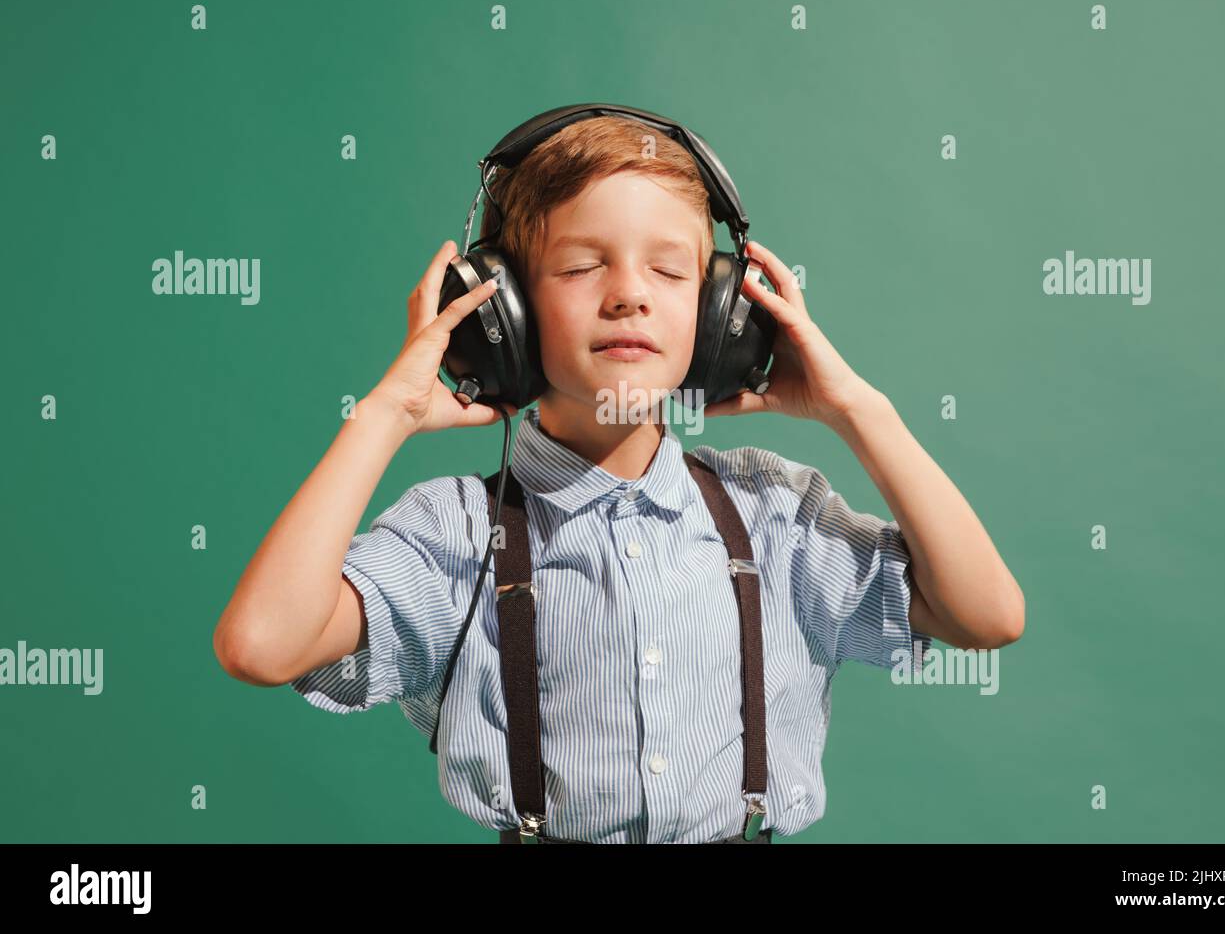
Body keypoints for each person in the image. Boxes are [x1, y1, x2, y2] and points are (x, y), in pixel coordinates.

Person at [212, 115, 1025, 843]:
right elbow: (260, 643)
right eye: (580, 268)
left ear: (721, 320)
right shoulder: (456, 533)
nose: (630, 294)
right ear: (504, 315)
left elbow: (986, 615)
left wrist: (857, 409)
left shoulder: (775, 515)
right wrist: (385, 412)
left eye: (671, 273)